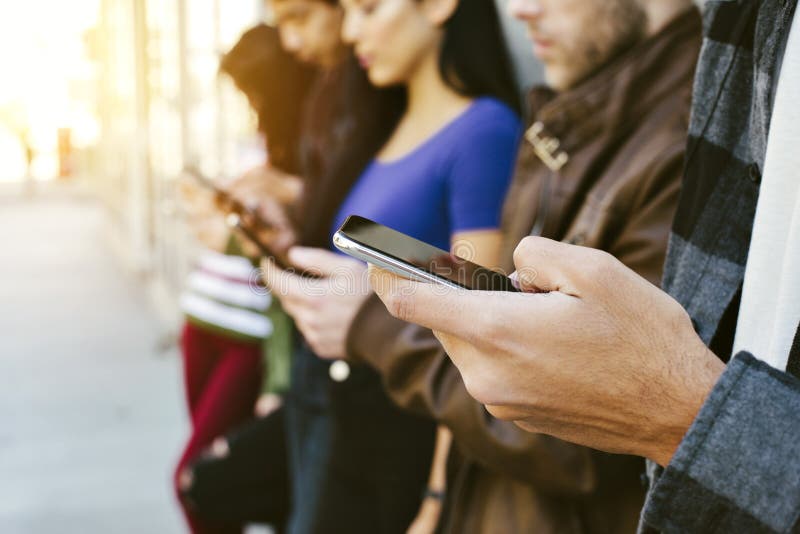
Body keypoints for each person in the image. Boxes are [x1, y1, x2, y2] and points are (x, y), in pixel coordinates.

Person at [371, 0, 800, 532]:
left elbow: (583, 428)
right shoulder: (581, 111)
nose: (520, 10)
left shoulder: (686, 138)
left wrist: (369, 328)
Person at [260, 0, 522, 532]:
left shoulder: (483, 132)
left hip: (393, 428)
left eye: (369, 9)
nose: (352, 31)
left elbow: (473, 325)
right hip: (336, 409)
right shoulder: (386, 122)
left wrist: (436, 498)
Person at [173, 24, 314, 534]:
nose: (249, 102)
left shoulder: (306, 156)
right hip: (203, 315)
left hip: (248, 335)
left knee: (197, 481)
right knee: (225, 480)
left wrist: (276, 378)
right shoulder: (259, 141)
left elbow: (288, 262)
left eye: (253, 89)